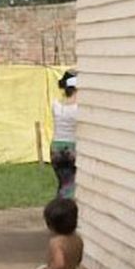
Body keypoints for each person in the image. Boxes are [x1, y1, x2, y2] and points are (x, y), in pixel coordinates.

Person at [33, 197, 84, 269]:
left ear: (50, 225)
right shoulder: (78, 239)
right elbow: (78, 260)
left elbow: (60, 263)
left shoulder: (56, 242)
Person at [50, 71, 79, 199]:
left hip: (56, 146)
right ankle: (65, 209)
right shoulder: (78, 108)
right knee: (70, 184)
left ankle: (59, 205)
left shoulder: (56, 105)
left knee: (62, 182)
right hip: (71, 148)